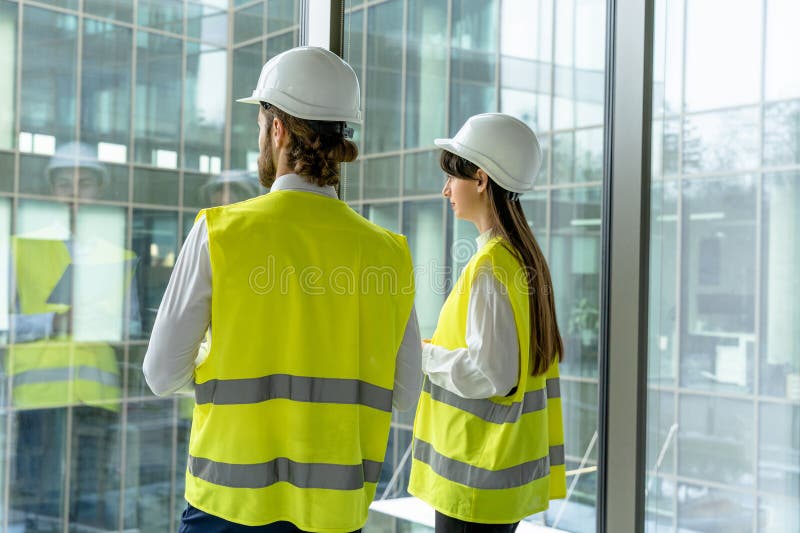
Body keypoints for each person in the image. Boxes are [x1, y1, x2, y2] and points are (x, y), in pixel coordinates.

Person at [143, 46, 421, 533]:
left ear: (278, 129)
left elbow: (161, 374)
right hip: (336, 514)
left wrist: (222, 361)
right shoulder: (389, 253)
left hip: (228, 508)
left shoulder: (221, 231)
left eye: (261, 124)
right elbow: (404, 393)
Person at [407, 113, 566, 531]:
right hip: (493, 478)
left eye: (452, 178)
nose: (446, 191)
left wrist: (423, 355)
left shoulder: (491, 266)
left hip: (474, 480)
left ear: (480, 179)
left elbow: (490, 374)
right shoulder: (519, 259)